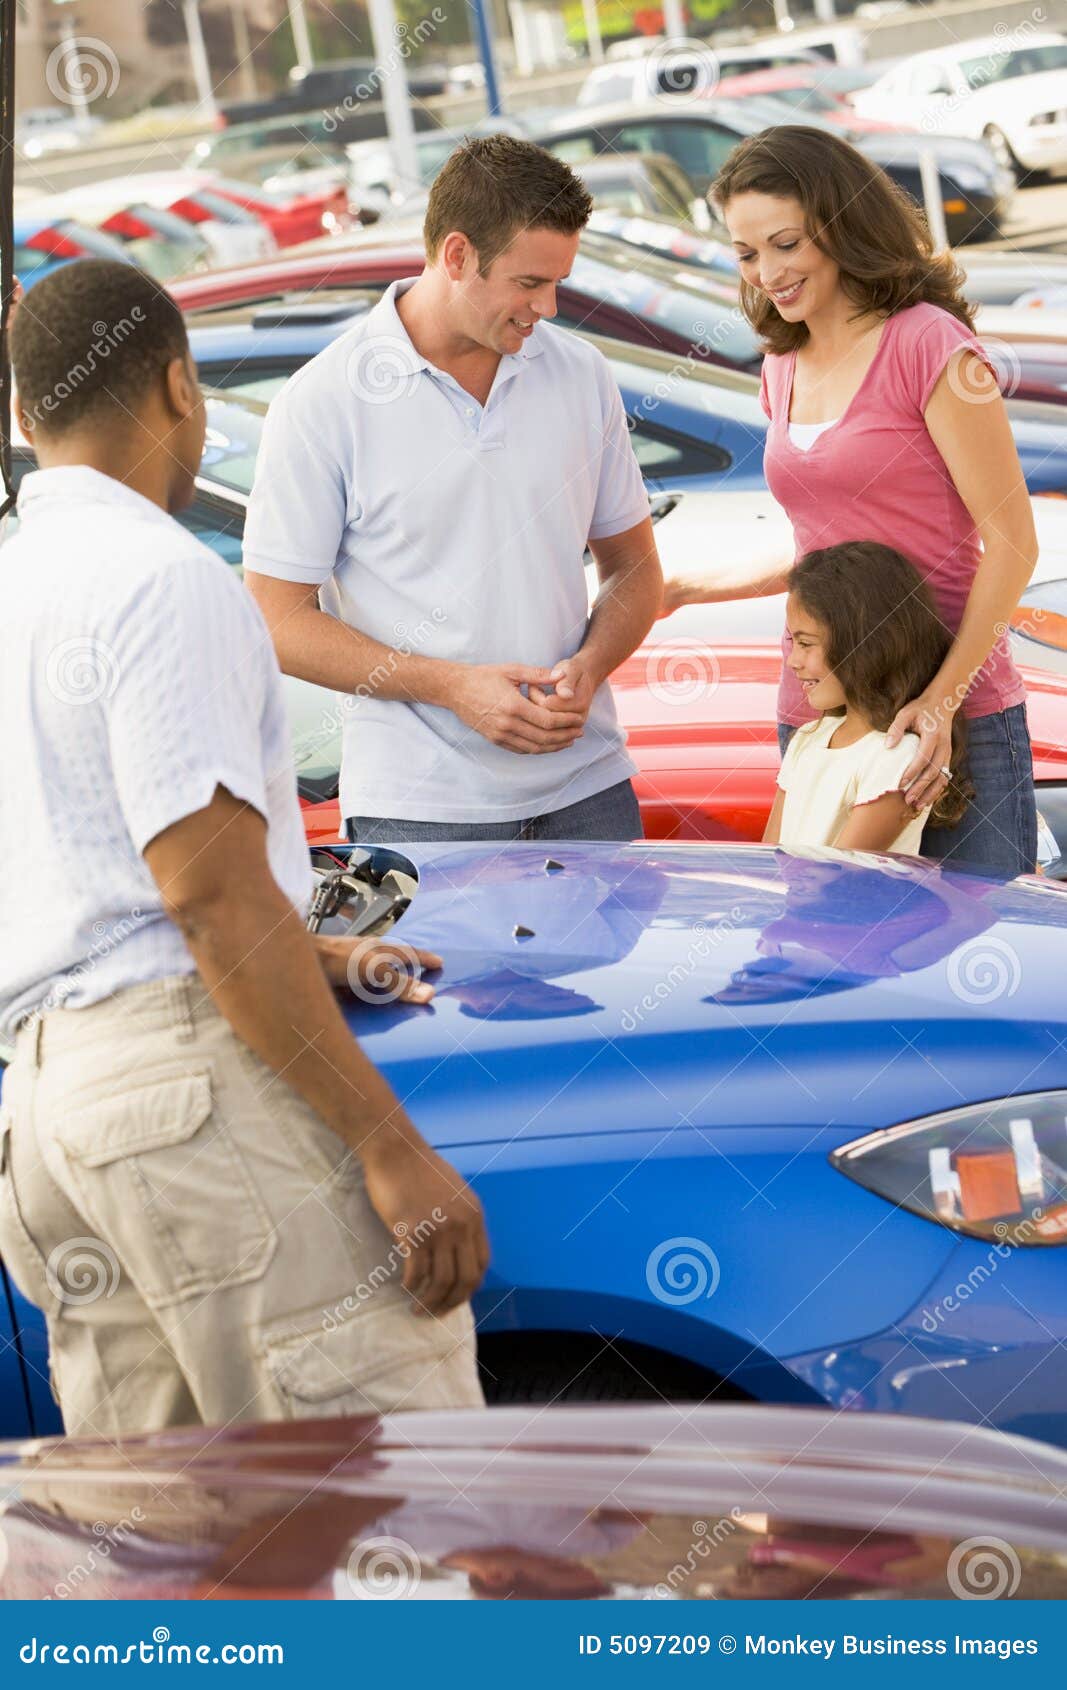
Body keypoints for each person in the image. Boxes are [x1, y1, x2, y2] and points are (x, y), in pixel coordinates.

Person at [0, 260, 488, 1440]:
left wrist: (287, 941)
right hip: (186, 1104)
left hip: (47, 1121)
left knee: (165, 1550)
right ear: (180, 387)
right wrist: (392, 1147)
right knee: (382, 1511)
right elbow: (213, 899)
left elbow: (95, 868)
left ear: (25, 416)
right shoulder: (162, 579)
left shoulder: (18, 580)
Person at [242, 135, 662, 844]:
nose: (548, 307)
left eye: (557, 283)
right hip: (419, 811)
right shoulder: (323, 400)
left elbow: (635, 568)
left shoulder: (580, 374)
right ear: (458, 256)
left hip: (587, 790)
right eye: (529, 284)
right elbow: (276, 620)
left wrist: (590, 669)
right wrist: (454, 687)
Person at [661, 126, 1039, 878]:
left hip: (951, 720)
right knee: (823, 954)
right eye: (745, 254)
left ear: (839, 226)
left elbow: (1013, 543)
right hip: (823, 715)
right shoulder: (780, 364)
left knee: (973, 964)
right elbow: (824, 547)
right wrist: (681, 590)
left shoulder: (931, 346)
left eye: (784, 244)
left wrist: (938, 701)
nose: (765, 272)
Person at [765, 541, 971, 855]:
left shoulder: (898, 755)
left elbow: (840, 875)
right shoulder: (806, 739)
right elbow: (770, 858)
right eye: (792, 641)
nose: (793, 660)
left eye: (806, 644)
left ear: (864, 645)